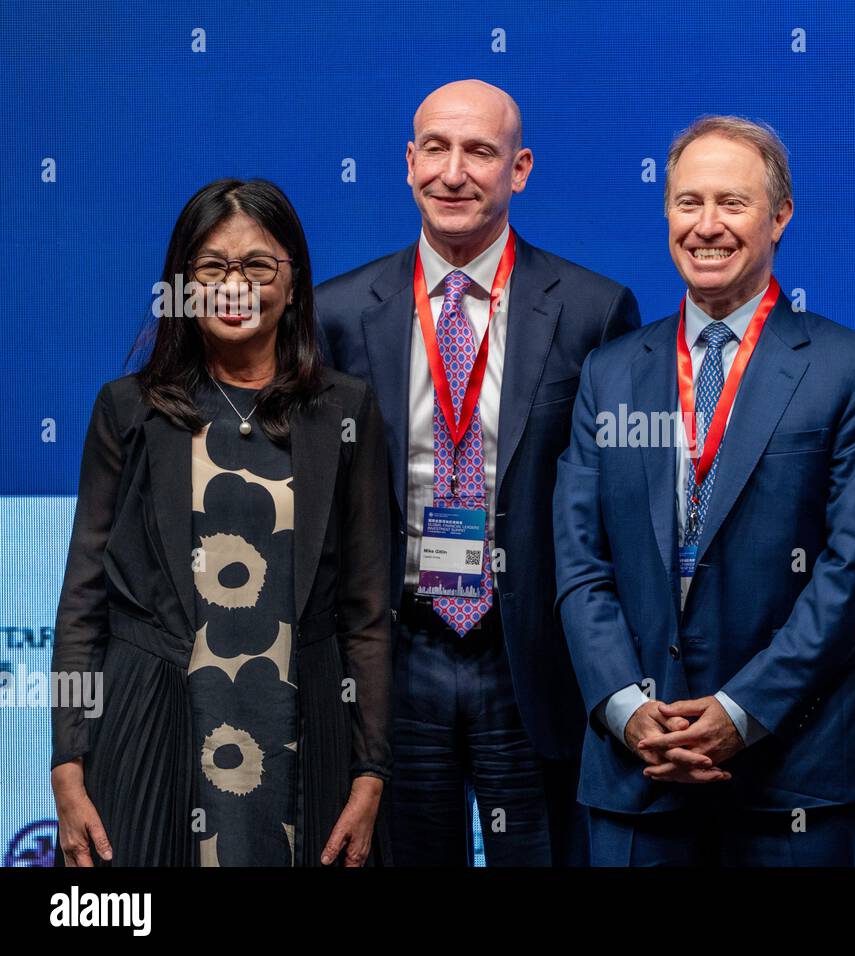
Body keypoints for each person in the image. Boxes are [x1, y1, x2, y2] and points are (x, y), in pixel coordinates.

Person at [554, 116, 855, 866]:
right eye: (687, 203)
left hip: (796, 781)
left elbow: (853, 570)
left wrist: (742, 713)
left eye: (733, 204)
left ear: (780, 217)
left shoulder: (850, 369)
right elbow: (580, 563)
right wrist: (629, 709)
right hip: (636, 776)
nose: (706, 226)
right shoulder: (611, 372)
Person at [316, 79, 640, 866]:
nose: (453, 173)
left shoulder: (595, 310)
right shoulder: (336, 313)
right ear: (407, 162)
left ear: (519, 169)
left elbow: (617, 512)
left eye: (480, 152)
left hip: (530, 657)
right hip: (399, 655)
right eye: (436, 148)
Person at [51, 178, 391, 867]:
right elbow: (83, 603)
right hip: (149, 728)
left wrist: (371, 771)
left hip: (302, 727)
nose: (235, 284)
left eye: (259, 265)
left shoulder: (346, 410)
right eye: (212, 267)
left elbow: (367, 612)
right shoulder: (128, 411)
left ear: (293, 283)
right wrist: (66, 763)